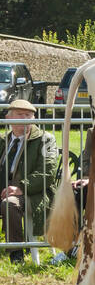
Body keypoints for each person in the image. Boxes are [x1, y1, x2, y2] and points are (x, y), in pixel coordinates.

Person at [2, 99, 61, 262]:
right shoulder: (4, 141)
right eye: (20, 115)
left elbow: (47, 172)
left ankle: (16, 254)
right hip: (6, 190)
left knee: (10, 204)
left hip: (35, 194)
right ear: (8, 118)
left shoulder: (45, 139)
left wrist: (21, 187)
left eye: (28, 115)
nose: (25, 119)